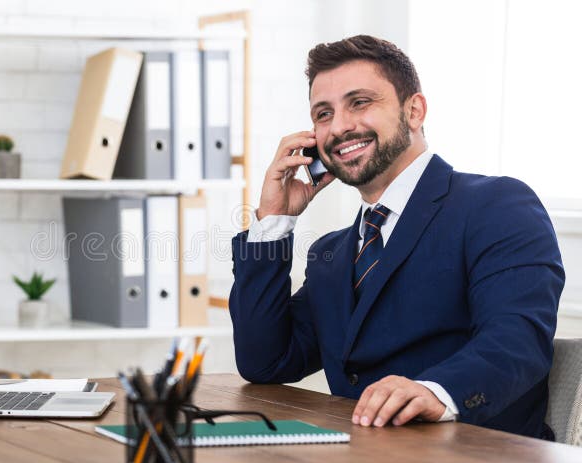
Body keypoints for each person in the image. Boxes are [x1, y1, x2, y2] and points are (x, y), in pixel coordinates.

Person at [229, 35, 564, 439]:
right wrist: (273, 222)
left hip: (476, 451)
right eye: (323, 113)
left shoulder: (496, 205)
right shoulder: (333, 253)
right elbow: (265, 362)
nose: (339, 127)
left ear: (414, 110)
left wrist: (435, 391)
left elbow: (518, 339)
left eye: (360, 102)